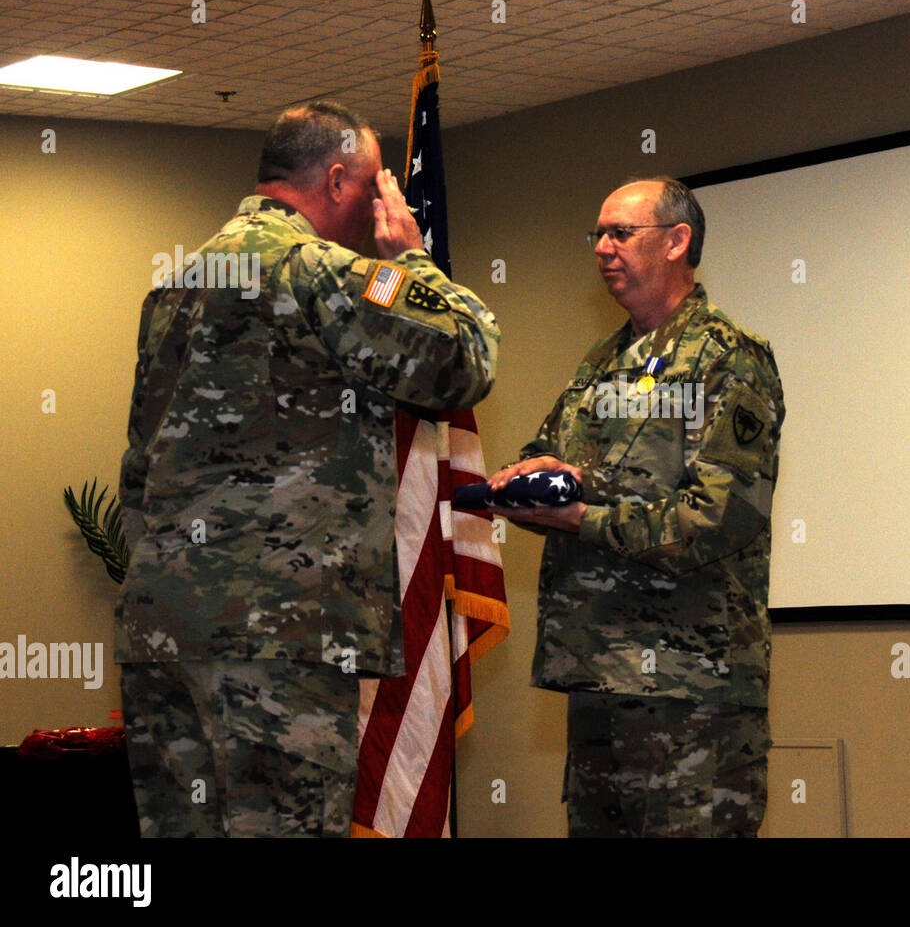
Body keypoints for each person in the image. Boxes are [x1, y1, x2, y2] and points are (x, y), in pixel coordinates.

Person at [115, 101, 499, 836]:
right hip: (276, 638)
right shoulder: (317, 271)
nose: (380, 205)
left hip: (164, 631)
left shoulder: (176, 286)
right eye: (374, 186)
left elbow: (139, 463)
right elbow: (465, 356)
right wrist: (410, 255)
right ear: (335, 180)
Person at [486, 177, 784, 836]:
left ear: (677, 241)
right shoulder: (603, 362)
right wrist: (537, 475)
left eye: (620, 233)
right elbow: (556, 450)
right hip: (601, 680)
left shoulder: (728, 359)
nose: (602, 248)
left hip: (692, 695)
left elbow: (715, 520)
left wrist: (582, 516)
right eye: (597, 234)